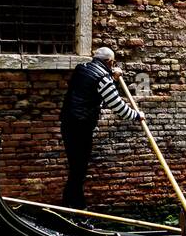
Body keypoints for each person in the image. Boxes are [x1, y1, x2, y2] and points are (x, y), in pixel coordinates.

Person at [59, 46, 144, 209]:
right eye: (112, 63)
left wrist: (111, 76)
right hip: (80, 127)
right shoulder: (103, 78)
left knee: (76, 169)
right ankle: (75, 208)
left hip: (68, 123)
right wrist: (136, 115)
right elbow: (116, 105)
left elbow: (92, 86)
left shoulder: (82, 69)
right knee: (79, 170)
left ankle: (71, 206)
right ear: (109, 61)